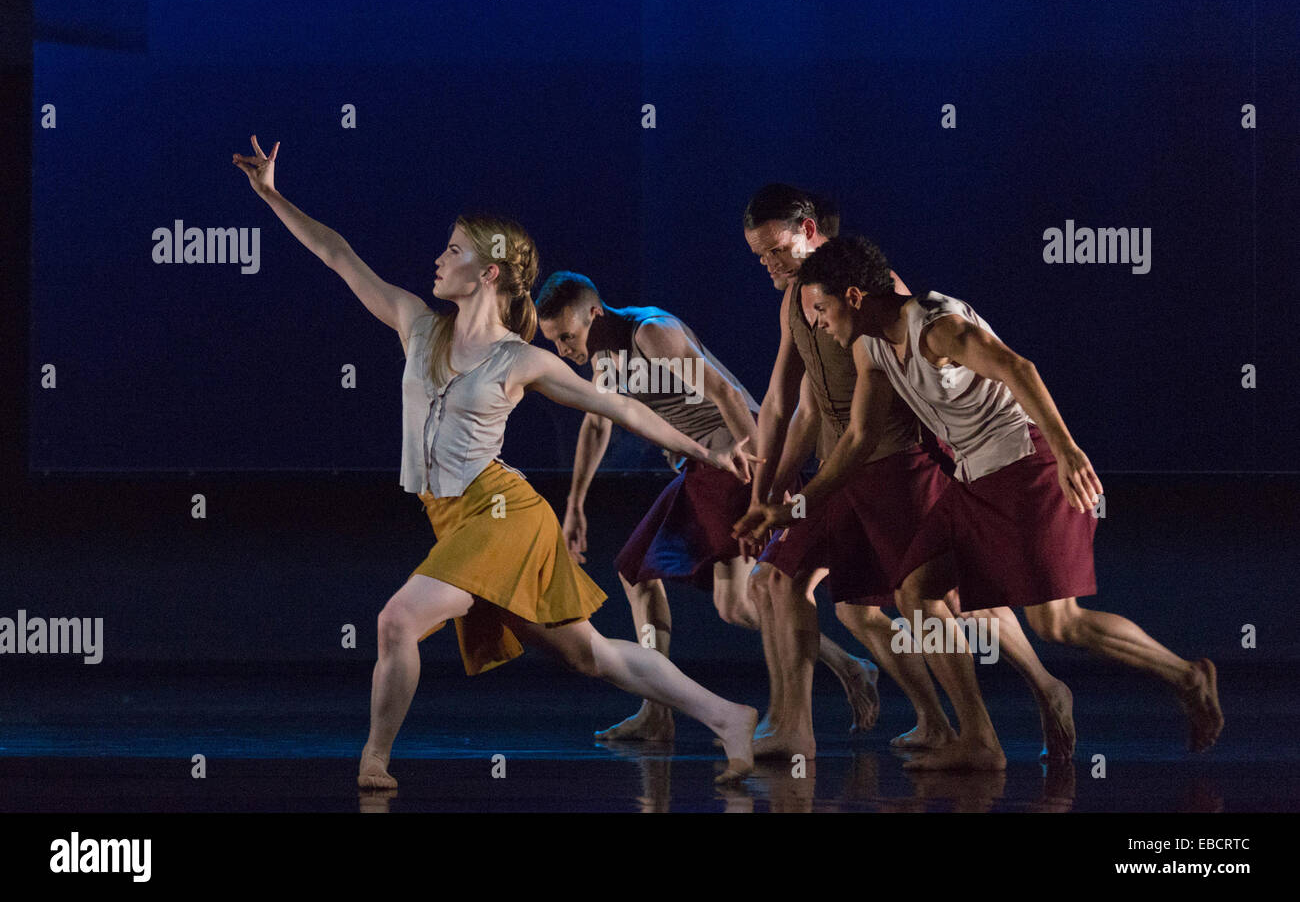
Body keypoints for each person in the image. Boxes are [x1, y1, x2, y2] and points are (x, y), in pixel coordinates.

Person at [231, 135, 760, 787]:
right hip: (453, 519)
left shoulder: (521, 358)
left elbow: (621, 410)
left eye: (453, 250)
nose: (437, 258)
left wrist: (704, 450)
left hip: (502, 514)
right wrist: (272, 194)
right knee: (590, 654)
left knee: (396, 619)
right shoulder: (415, 324)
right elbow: (336, 253)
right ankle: (729, 716)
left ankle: (374, 761)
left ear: (489, 272)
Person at [793, 233, 1224, 769]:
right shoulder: (873, 346)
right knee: (917, 592)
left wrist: (1066, 450)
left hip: (1025, 469)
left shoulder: (936, 325)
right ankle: (979, 739)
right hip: (972, 478)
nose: (815, 323)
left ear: (854, 297)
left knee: (1057, 624)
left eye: (820, 308)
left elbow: (1018, 368)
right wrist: (795, 504)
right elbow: (858, 439)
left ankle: (1186, 674)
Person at [735, 184, 1075, 763]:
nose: (768, 264)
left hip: (895, 466)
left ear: (810, 229)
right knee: (793, 587)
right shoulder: (799, 302)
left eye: (775, 250)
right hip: (838, 470)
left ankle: (1033, 694)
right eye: (758, 255)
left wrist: (1062, 450)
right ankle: (812, 727)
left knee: (948, 598)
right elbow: (796, 405)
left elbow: (879, 411)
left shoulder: (869, 294)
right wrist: (766, 493)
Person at [535, 272, 877, 741]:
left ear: (595, 313)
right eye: (553, 341)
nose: (562, 351)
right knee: (693, 591)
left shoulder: (651, 333)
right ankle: (660, 709)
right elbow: (597, 425)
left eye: (566, 337)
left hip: (737, 456)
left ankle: (844, 672)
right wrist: (575, 504)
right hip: (704, 466)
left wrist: (764, 477)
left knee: (689, 587)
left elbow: (726, 393)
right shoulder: (605, 359)